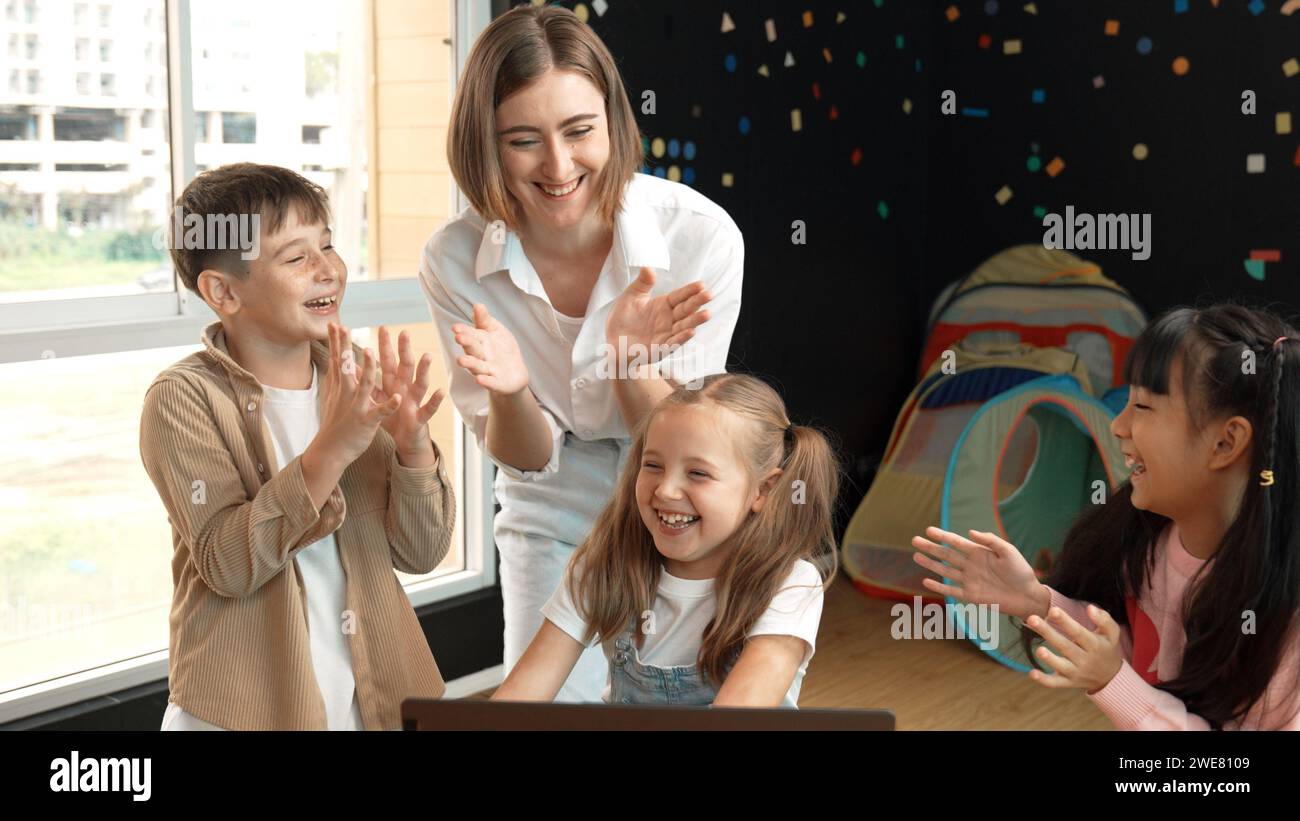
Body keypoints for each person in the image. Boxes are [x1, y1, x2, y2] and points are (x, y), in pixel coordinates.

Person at [420, 5, 742, 700]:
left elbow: (681, 439)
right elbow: (528, 457)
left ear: (613, 122)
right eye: (523, 140)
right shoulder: (452, 259)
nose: (559, 165)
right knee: (547, 706)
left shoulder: (698, 237)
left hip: (674, 481)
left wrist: (629, 362)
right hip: (550, 496)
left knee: (686, 695)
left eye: (579, 131)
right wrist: (509, 392)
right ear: (485, 143)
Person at [141, 163, 455, 730]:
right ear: (222, 291)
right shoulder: (182, 398)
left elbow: (421, 552)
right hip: (238, 714)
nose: (328, 270)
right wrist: (330, 450)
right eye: (296, 257)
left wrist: (413, 452)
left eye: (328, 246)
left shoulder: (355, 373)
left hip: (368, 704)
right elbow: (227, 565)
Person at [914, 305, 1300, 729]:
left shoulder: (1285, 612)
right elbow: (1135, 650)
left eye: (1144, 406)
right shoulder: (1153, 546)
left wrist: (1113, 681)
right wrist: (1039, 603)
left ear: (1226, 444)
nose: (1118, 425)